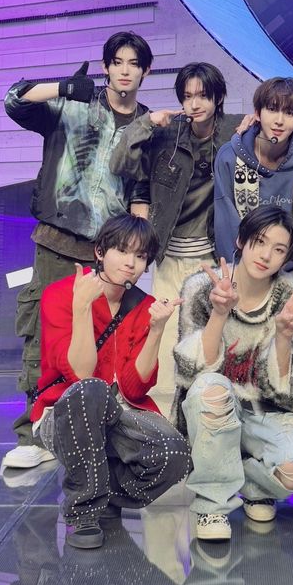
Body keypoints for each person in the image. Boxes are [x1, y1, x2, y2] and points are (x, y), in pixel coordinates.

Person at [2, 31, 153, 471]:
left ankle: (90, 433)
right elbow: (15, 100)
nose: (124, 71)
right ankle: (33, 433)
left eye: (134, 63)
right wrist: (65, 87)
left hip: (108, 253)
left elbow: (141, 189)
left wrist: (138, 250)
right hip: (57, 243)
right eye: (117, 62)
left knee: (102, 346)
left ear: (145, 71)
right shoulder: (74, 103)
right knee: (43, 339)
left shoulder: (146, 125)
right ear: (106, 66)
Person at [31, 213, 191, 549]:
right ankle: (83, 512)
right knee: (92, 390)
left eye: (141, 256)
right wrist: (82, 309)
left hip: (118, 415)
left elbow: (134, 388)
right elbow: (81, 376)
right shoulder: (60, 294)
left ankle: (101, 490)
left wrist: (156, 330)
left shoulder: (145, 306)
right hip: (64, 412)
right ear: (100, 252)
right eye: (122, 250)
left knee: (176, 453)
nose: (131, 263)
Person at [173, 206, 293, 541]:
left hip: (267, 412)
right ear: (241, 240)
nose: (266, 255)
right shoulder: (202, 286)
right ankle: (213, 503)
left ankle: (254, 487)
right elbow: (190, 373)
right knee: (211, 388)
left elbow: (285, 393)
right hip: (213, 411)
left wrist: (283, 336)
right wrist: (219, 313)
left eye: (279, 249)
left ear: (286, 258)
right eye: (259, 242)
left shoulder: (291, 298)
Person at [109, 62, 247, 402]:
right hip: (170, 256)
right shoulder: (167, 135)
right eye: (187, 97)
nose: (194, 104)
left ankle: (209, 406)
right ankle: (163, 411)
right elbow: (121, 164)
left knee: (211, 334)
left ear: (218, 97)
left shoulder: (234, 132)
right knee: (167, 333)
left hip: (212, 257)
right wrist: (145, 123)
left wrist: (252, 127)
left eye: (202, 96)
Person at [213, 77, 293, 282]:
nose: (279, 120)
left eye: (289, 113)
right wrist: (239, 277)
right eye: (272, 109)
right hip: (244, 272)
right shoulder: (230, 157)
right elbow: (225, 226)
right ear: (257, 112)